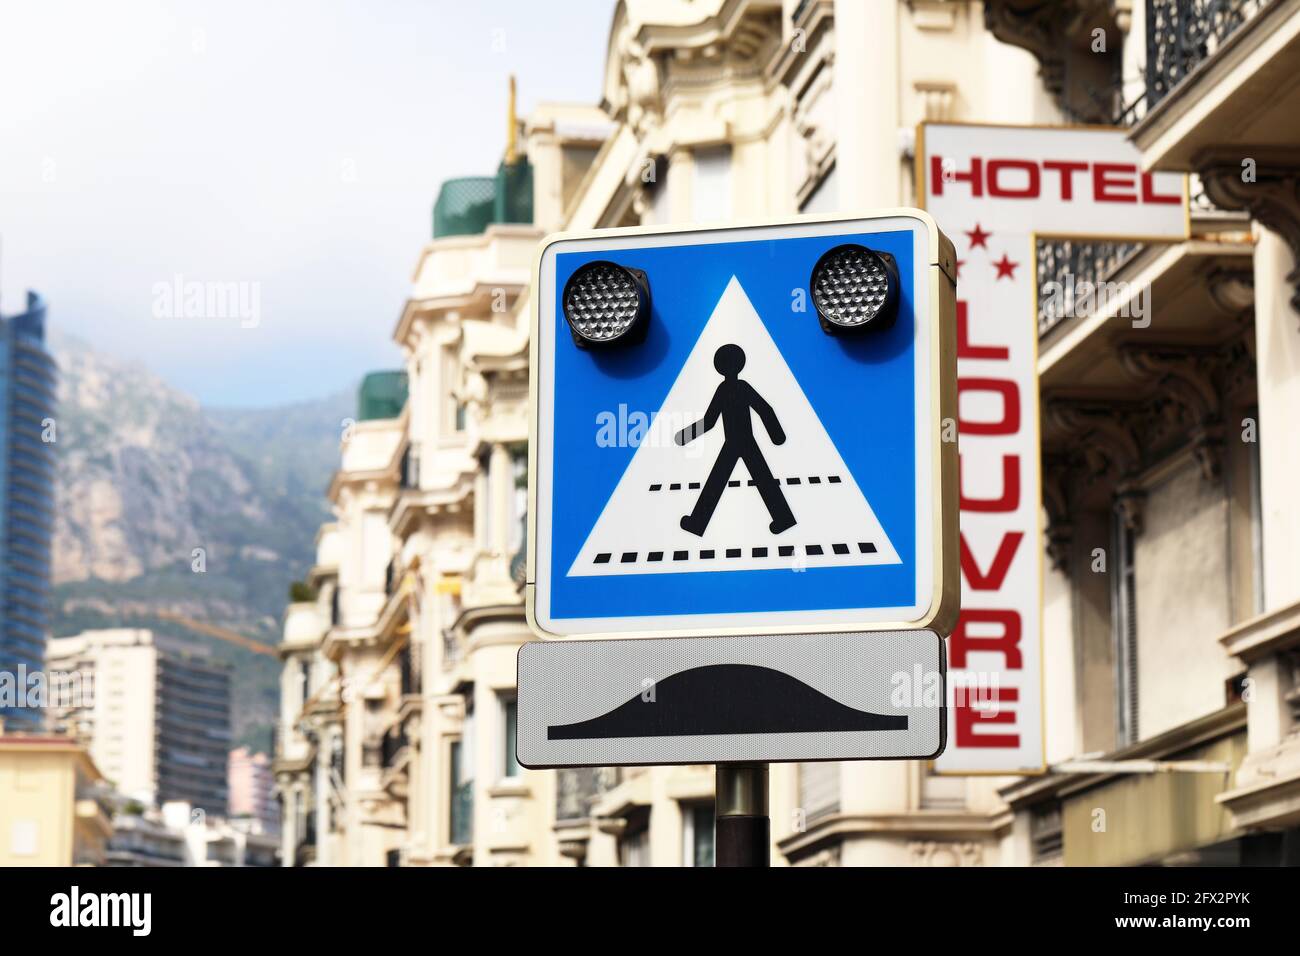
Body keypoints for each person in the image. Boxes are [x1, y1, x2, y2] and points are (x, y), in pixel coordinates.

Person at [674, 343, 797, 536]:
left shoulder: (725, 388)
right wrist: (776, 435)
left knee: (719, 480)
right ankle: (784, 518)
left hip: (735, 441)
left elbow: (709, 421)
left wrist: (686, 436)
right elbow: (764, 410)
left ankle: (697, 523)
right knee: (758, 478)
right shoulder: (739, 387)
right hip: (742, 441)